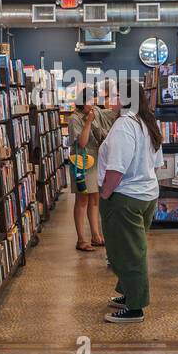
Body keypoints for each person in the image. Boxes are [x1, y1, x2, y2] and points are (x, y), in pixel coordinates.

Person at [97, 85, 164, 324]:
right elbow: (156, 164)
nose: (109, 98)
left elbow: (116, 168)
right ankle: (128, 293)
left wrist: (105, 194)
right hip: (146, 195)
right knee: (129, 249)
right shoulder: (147, 123)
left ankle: (136, 307)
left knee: (128, 253)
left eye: (113, 94)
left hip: (124, 198)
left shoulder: (124, 125)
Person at [67, 85, 114, 251]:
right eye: (89, 100)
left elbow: (111, 114)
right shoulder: (75, 118)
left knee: (95, 199)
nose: (93, 103)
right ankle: (81, 239)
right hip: (81, 161)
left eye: (94, 100)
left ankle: (95, 235)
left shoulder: (96, 112)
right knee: (82, 200)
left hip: (95, 161)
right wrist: (88, 121)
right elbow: (82, 142)